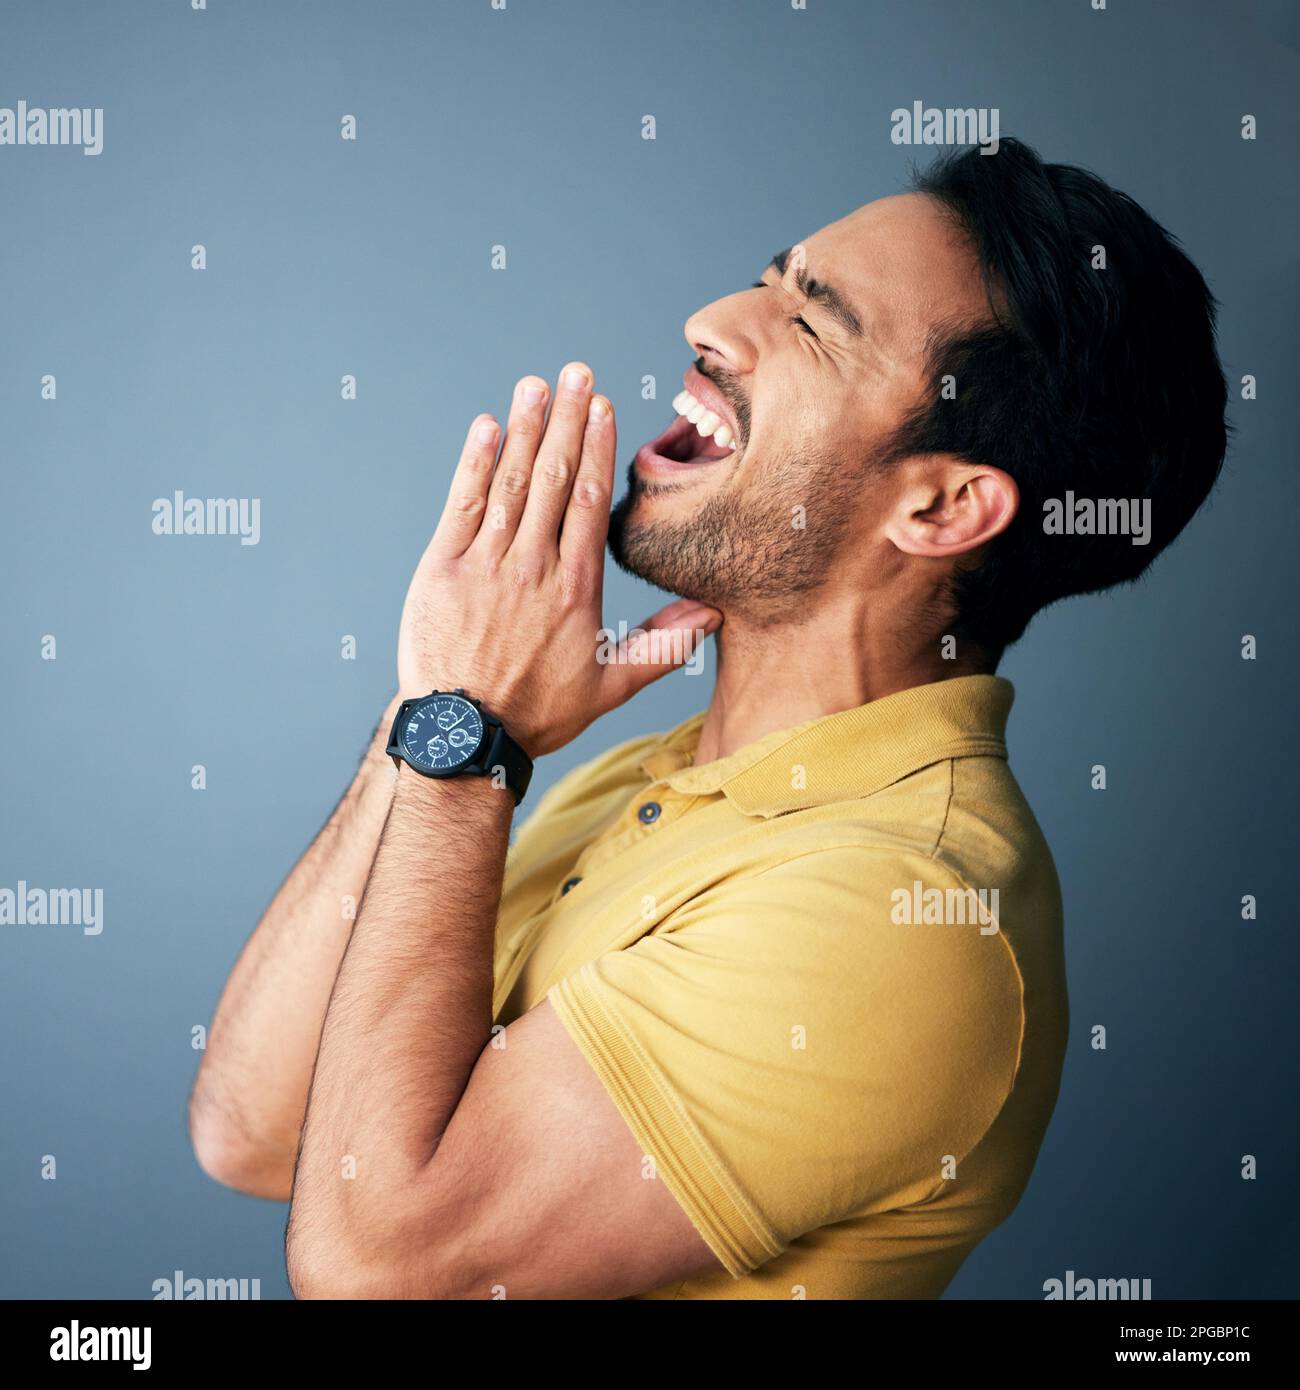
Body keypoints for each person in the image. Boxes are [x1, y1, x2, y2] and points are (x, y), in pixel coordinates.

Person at [189, 139, 1227, 1300]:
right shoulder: (636, 770)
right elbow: (251, 1129)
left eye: (814, 323)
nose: (711, 319)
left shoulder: (900, 914)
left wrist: (464, 734)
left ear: (941, 505)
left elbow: (378, 1272)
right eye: (773, 278)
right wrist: (443, 711)